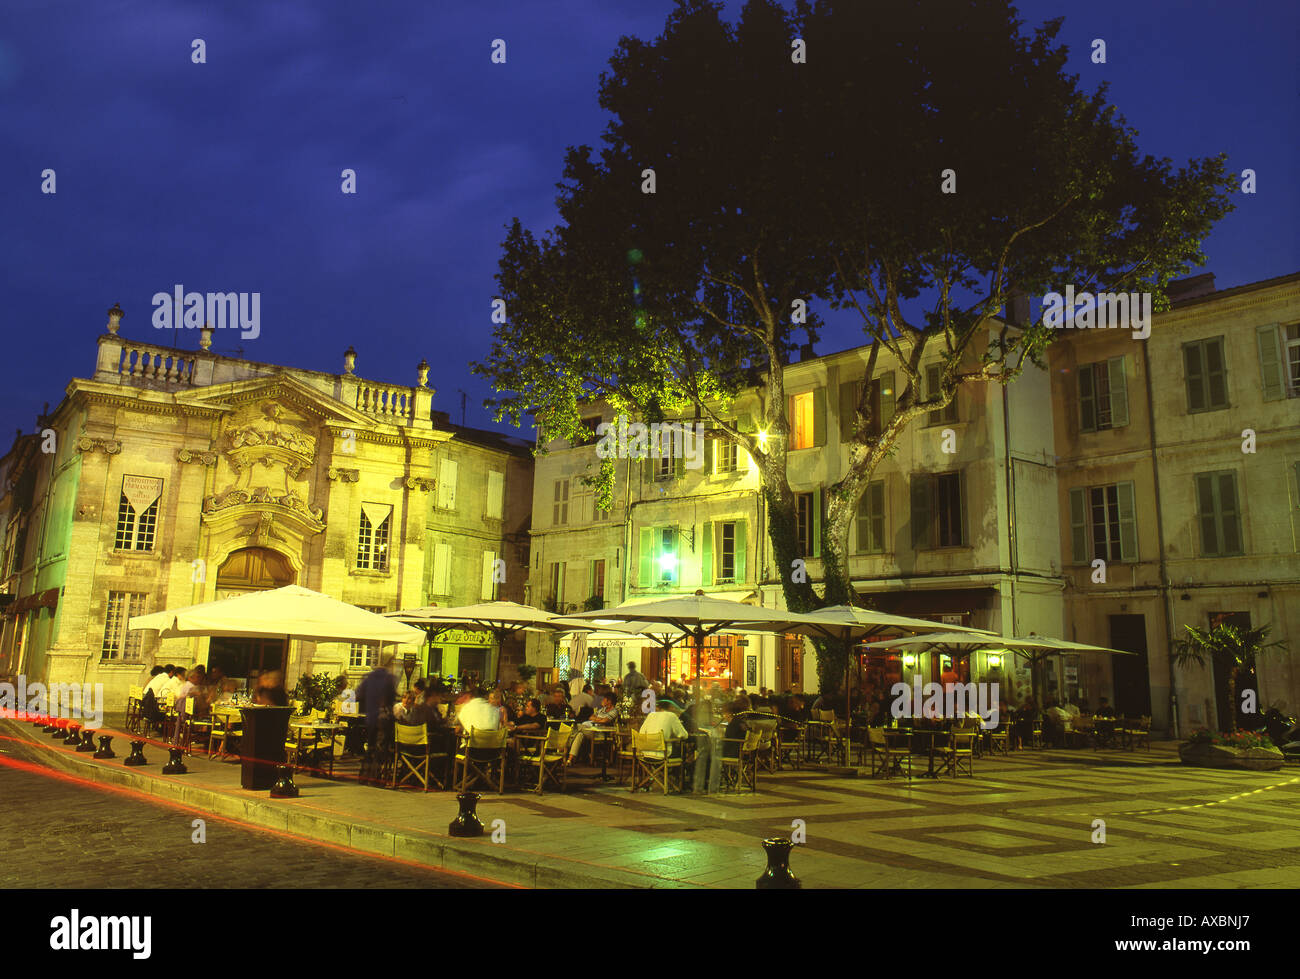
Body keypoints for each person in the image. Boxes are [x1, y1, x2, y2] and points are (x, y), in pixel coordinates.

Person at [356, 656, 398, 757]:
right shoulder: (390, 678)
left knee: (371, 744)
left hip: (370, 717)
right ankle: (380, 766)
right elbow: (392, 697)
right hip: (384, 717)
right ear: (388, 664)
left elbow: (358, 695)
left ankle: (370, 763)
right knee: (382, 746)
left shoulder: (368, 677)